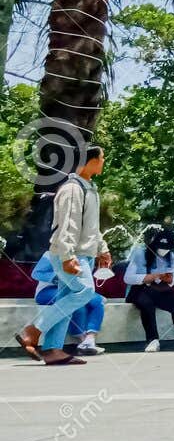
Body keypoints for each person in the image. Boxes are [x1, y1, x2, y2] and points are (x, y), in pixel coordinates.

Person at [16, 144, 113, 365]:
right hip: (70, 253)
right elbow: (66, 225)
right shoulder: (72, 188)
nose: (104, 161)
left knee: (64, 299)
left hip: (83, 253)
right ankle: (32, 331)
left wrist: (102, 248)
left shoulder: (88, 187)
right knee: (86, 291)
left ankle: (52, 350)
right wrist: (68, 256)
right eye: (102, 157)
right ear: (91, 160)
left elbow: (91, 226)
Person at [125, 226, 174, 351]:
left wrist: (167, 279)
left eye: (166, 248)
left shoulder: (171, 257)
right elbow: (127, 278)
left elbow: (172, 277)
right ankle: (152, 340)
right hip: (140, 288)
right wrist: (146, 277)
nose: (163, 251)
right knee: (147, 305)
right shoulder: (140, 254)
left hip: (159, 288)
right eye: (161, 247)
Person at [31, 251, 105, 357]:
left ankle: (89, 340)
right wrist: (60, 276)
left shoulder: (85, 256)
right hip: (48, 290)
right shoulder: (51, 254)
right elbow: (36, 273)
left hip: (74, 289)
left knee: (98, 301)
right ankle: (82, 339)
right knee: (77, 303)